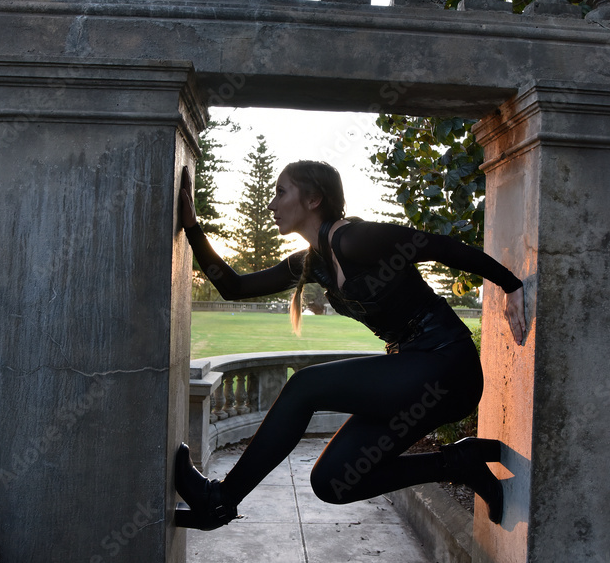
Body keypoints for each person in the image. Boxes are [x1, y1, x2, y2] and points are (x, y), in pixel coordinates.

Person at [175, 160, 525, 529]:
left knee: (304, 387)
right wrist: (193, 227)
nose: (271, 204)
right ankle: (458, 463)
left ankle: (221, 500)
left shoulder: (354, 240)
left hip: (448, 365)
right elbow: (234, 287)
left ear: (313, 200)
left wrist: (510, 284)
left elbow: (440, 246)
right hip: (413, 372)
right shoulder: (313, 262)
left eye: (281, 192)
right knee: (334, 480)